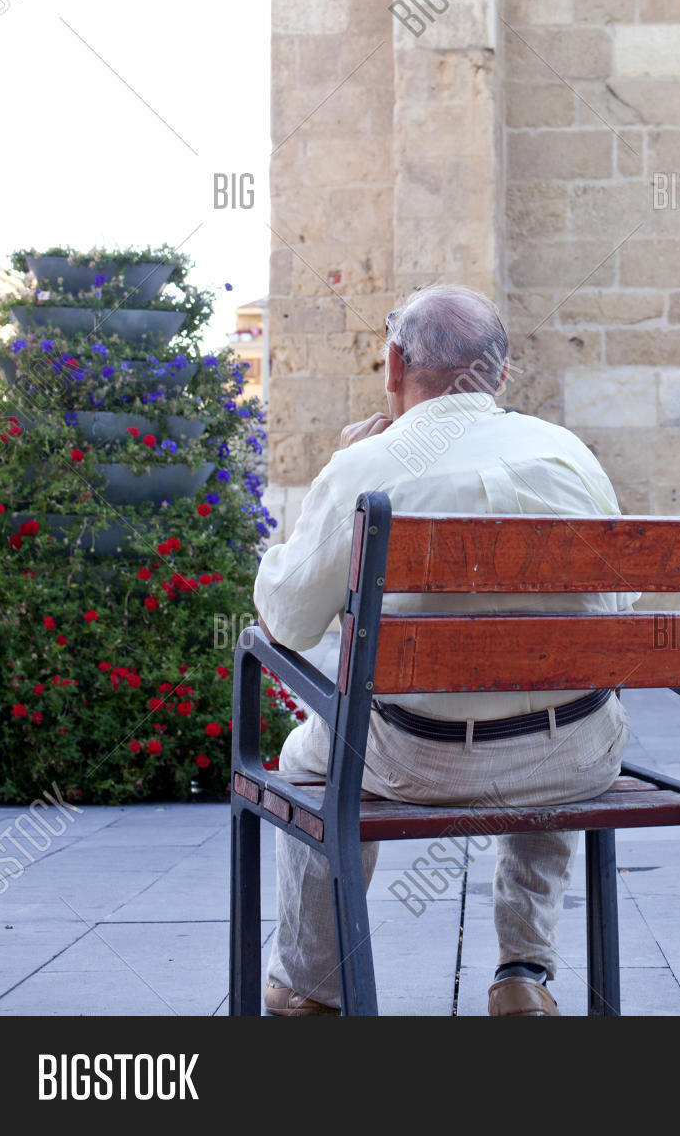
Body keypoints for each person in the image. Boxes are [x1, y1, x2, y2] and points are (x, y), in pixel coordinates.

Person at [254, 283, 634, 1017]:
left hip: (418, 758)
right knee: (566, 701)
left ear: (395, 365)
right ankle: (523, 974)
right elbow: (616, 612)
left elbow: (284, 622)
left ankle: (311, 985)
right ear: (501, 372)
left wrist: (344, 467)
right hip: (571, 758)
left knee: (309, 758)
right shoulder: (568, 455)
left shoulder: (365, 468)